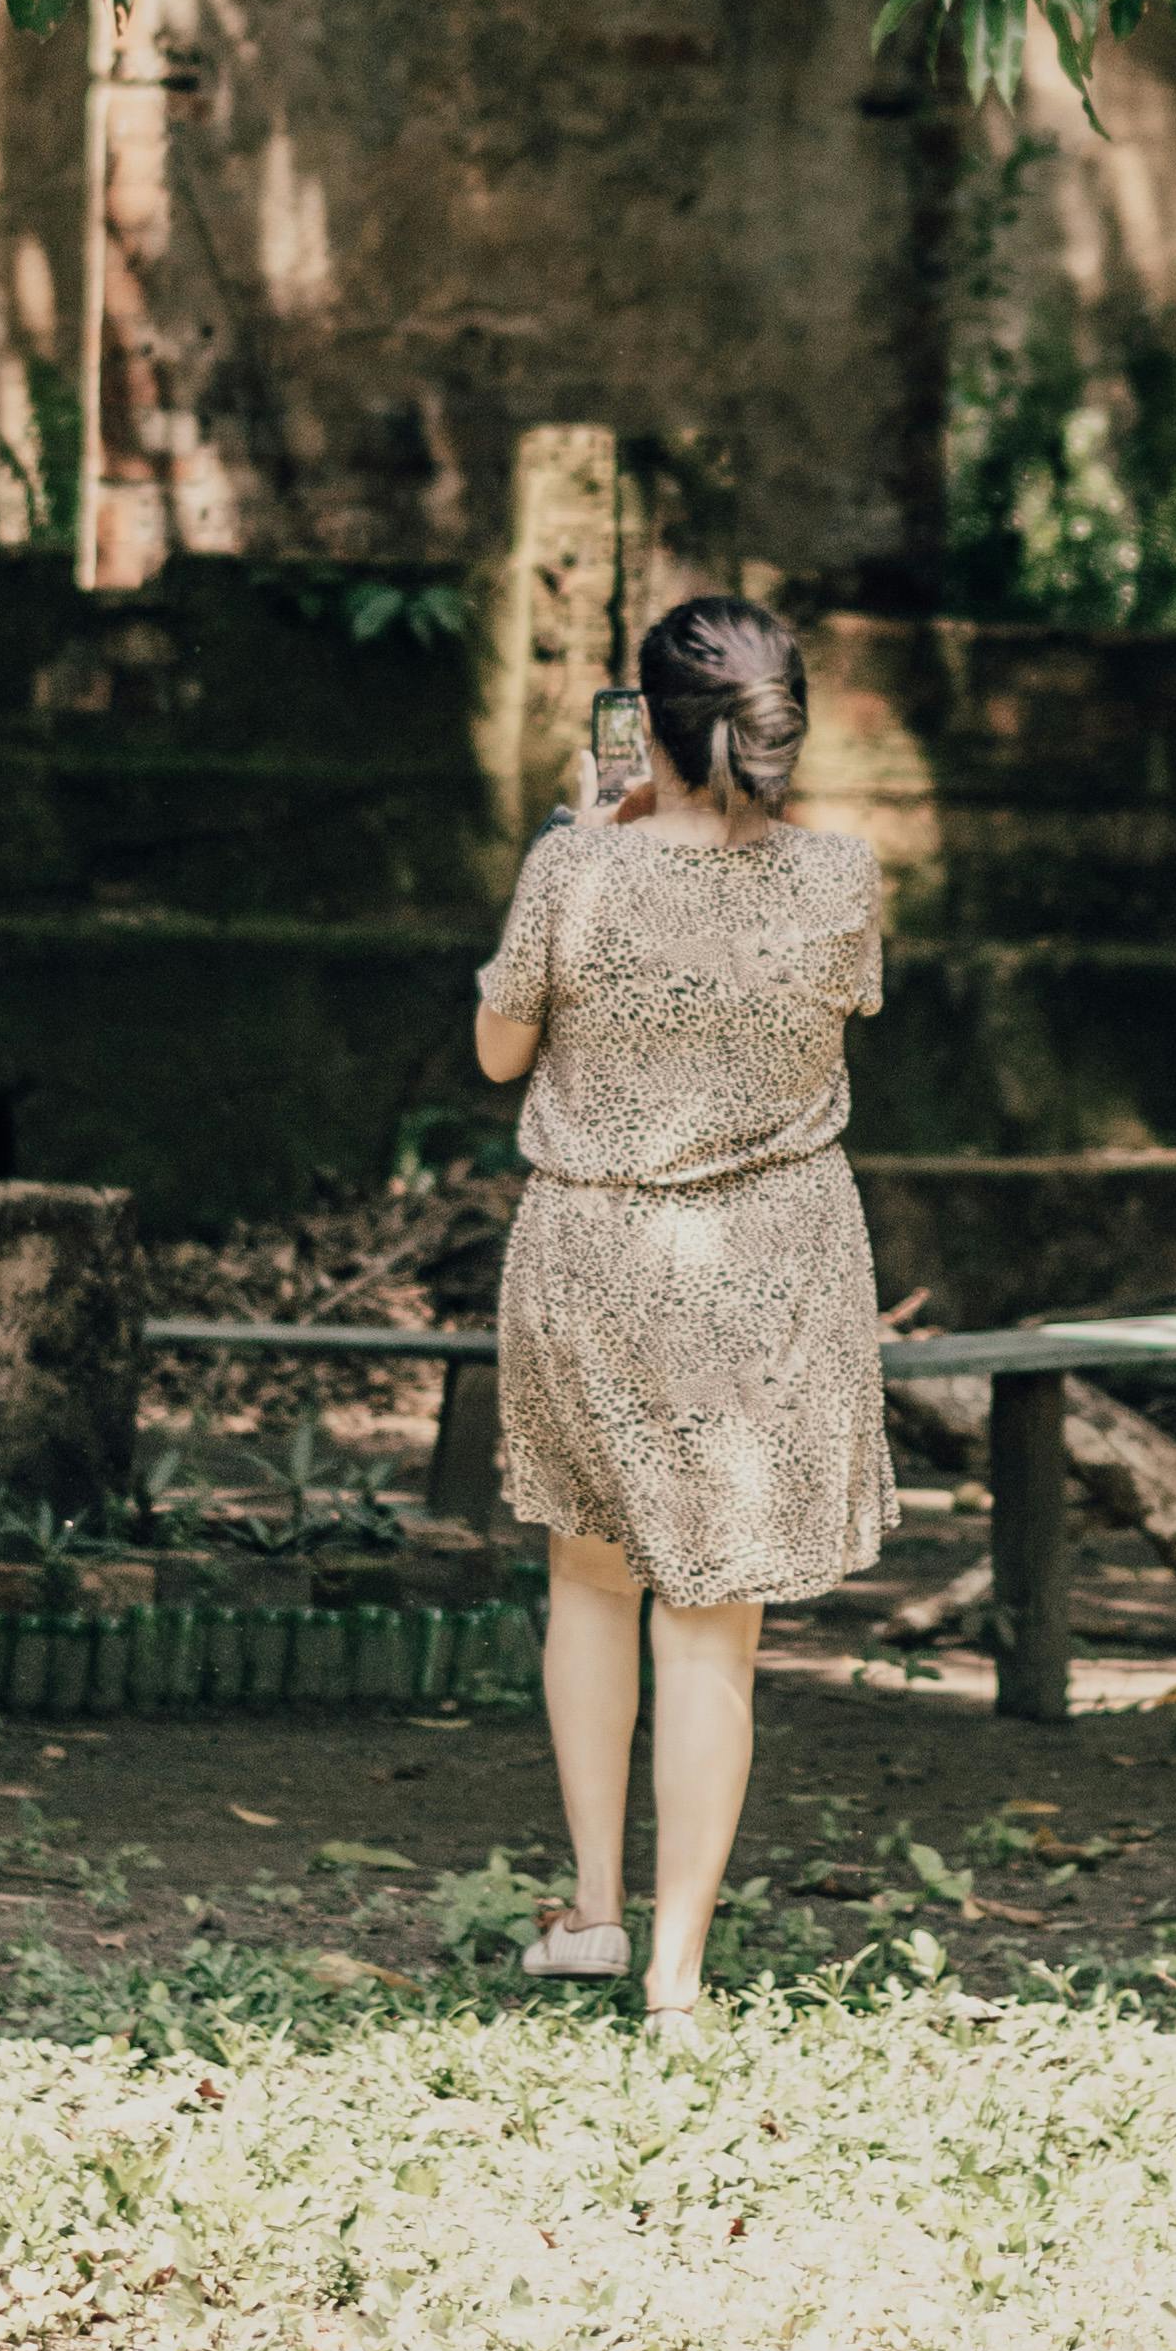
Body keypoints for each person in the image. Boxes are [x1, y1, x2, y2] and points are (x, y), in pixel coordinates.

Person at [467, 589, 892, 2020]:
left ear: (643, 721)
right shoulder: (844, 879)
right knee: (716, 1623)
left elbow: (496, 1050)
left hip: (596, 1260)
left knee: (592, 1579)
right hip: (773, 1266)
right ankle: (676, 1975)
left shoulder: (574, 872)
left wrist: (593, 836)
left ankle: (588, 1906)